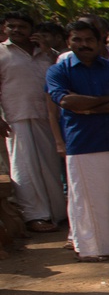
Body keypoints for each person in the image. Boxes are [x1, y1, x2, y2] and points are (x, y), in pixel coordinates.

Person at [45, 21, 109, 261]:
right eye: (78, 40)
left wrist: (88, 106)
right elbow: (66, 102)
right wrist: (105, 102)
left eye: (89, 40)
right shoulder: (59, 71)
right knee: (86, 198)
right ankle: (92, 249)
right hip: (82, 142)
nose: (83, 45)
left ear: (99, 42)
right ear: (68, 42)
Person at [0, 12, 66, 231]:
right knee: (24, 168)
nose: (16, 30)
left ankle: (58, 213)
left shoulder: (48, 54)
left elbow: (59, 77)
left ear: (32, 30)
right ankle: (35, 216)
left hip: (49, 117)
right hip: (16, 117)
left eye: (22, 26)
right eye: (12, 26)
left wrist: (47, 52)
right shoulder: (1, 52)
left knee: (51, 167)